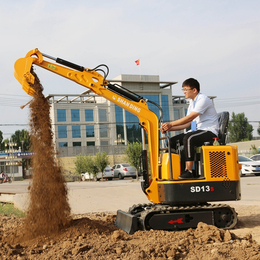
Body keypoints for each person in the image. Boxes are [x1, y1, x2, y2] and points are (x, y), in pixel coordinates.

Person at [161, 78, 219, 179]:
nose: (184, 92)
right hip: (197, 131)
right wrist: (170, 129)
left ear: (194, 90)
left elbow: (190, 117)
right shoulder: (192, 103)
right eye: (183, 90)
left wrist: (171, 123)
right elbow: (187, 124)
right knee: (172, 141)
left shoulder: (203, 99)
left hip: (209, 131)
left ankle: (189, 171)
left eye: (185, 89)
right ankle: (175, 170)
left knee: (189, 138)